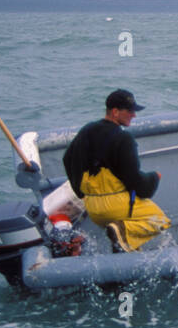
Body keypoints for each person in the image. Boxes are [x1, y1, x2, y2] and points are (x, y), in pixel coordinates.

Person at [62, 89, 170, 253]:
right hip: (115, 206)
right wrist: (154, 178)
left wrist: (80, 191)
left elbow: (67, 159)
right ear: (115, 112)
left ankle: (123, 252)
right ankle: (120, 232)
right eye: (130, 111)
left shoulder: (87, 130)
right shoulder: (123, 139)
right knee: (159, 220)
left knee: (127, 240)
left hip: (93, 207)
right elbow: (135, 182)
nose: (134, 115)